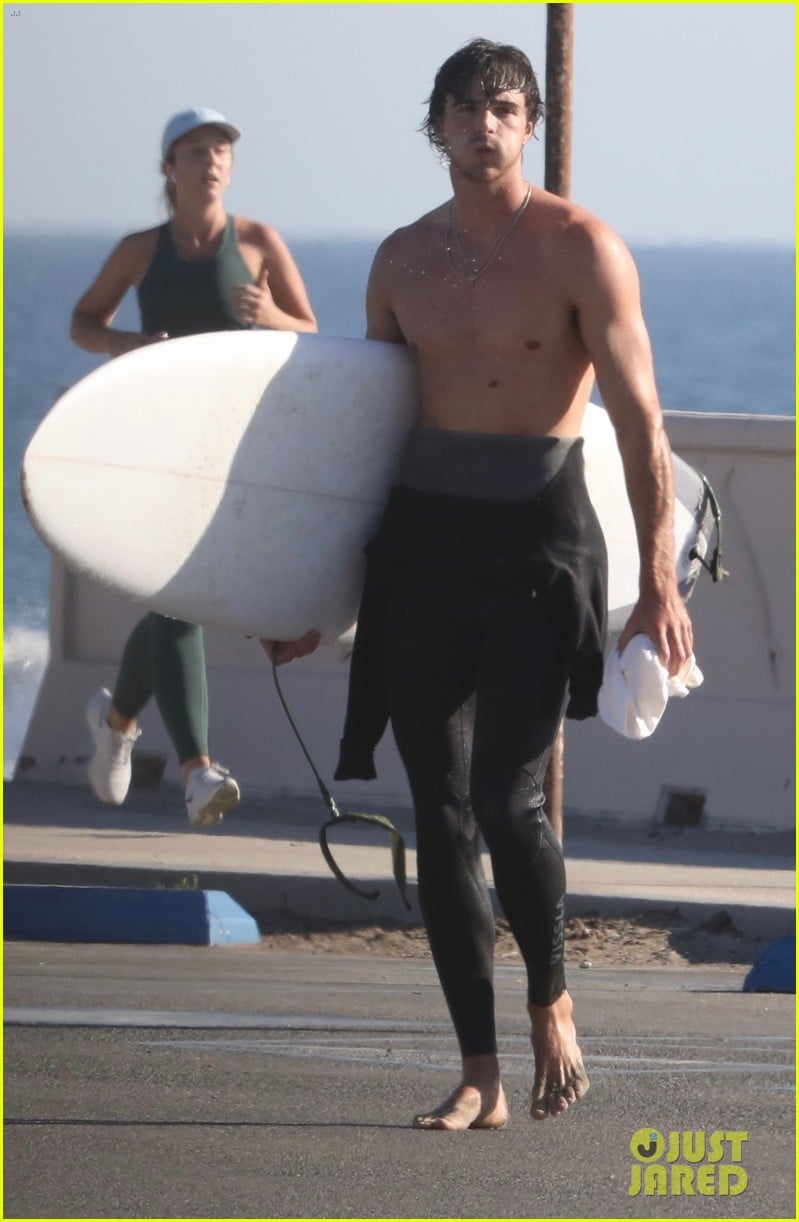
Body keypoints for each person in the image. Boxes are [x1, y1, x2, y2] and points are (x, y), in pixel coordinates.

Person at [265, 38, 693, 1130]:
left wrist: (656, 580)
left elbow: (643, 424)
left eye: (506, 107)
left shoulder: (580, 248)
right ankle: (478, 1073)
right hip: (420, 550)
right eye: (465, 108)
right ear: (437, 126)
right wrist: (312, 597)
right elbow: (365, 433)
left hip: (537, 546)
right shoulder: (401, 261)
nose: (485, 125)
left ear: (530, 122)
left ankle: (550, 998)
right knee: (441, 814)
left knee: (509, 799)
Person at [72, 106, 317, 828]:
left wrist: (271, 316)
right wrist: (129, 344)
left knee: (181, 601)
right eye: (195, 149)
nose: (211, 160)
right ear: (168, 168)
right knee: (177, 599)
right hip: (160, 445)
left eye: (220, 149)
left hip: (239, 450)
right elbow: (84, 322)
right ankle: (197, 770)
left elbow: (311, 333)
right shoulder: (140, 249)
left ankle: (116, 722)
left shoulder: (259, 241)